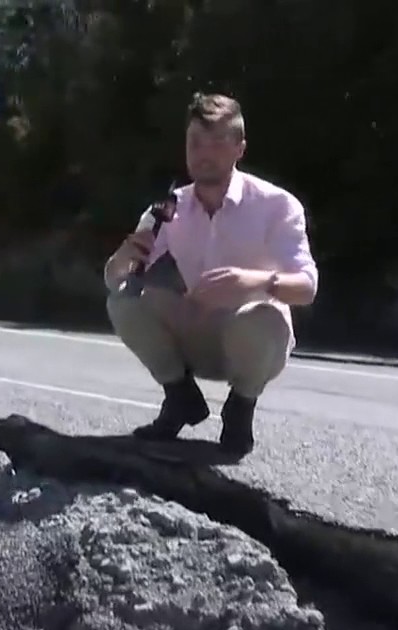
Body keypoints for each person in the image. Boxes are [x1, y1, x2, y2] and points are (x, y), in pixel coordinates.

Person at [103, 92, 319, 457]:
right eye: (195, 142)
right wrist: (123, 256)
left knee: (263, 317)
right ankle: (179, 398)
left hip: (251, 344)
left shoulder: (277, 206)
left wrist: (257, 281)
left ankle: (241, 408)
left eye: (217, 142)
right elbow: (116, 280)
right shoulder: (170, 207)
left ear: (239, 148)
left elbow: (307, 287)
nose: (204, 153)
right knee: (123, 300)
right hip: (197, 333)